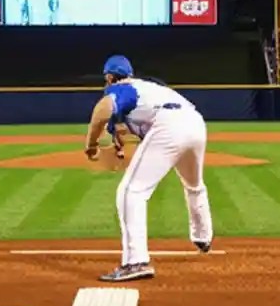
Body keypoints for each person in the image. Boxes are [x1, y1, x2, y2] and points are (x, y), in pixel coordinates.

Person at [82, 55, 213, 282]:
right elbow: (125, 126)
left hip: (170, 126)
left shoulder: (123, 89)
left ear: (110, 77)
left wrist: (91, 145)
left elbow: (102, 110)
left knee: (131, 191)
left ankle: (135, 262)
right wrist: (118, 142)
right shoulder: (149, 88)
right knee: (194, 184)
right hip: (195, 123)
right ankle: (203, 236)